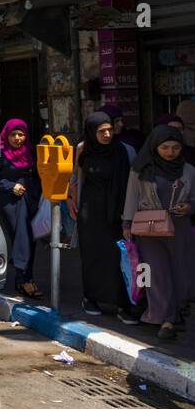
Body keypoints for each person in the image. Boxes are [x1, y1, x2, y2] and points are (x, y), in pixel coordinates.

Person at [123, 125, 195, 339]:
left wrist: (189, 207)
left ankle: (177, 311)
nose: (170, 152)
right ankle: (166, 319)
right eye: (165, 147)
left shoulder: (189, 170)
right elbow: (132, 198)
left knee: (181, 273)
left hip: (179, 228)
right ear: (155, 147)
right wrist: (127, 224)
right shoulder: (140, 169)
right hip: (150, 229)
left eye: (175, 147)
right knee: (157, 275)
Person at [73, 111, 136, 321]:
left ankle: (121, 302)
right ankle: (91, 297)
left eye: (109, 130)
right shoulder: (83, 149)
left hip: (116, 212)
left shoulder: (124, 151)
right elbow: (75, 179)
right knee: (92, 257)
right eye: (102, 131)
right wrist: (70, 199)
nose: (107, 134)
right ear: (92, 132)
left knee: (117, 256)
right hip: (90, 212)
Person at [0, 118, 44, 299]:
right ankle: (25, 280)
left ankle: (23, 279)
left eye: (21, 134)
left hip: (30, 198)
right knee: (21, 237)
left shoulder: (30, 151)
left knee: (30, 238)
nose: (18, 138)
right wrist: (11, 186)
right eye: (14, 134)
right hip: (10, 201)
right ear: (6, 135)